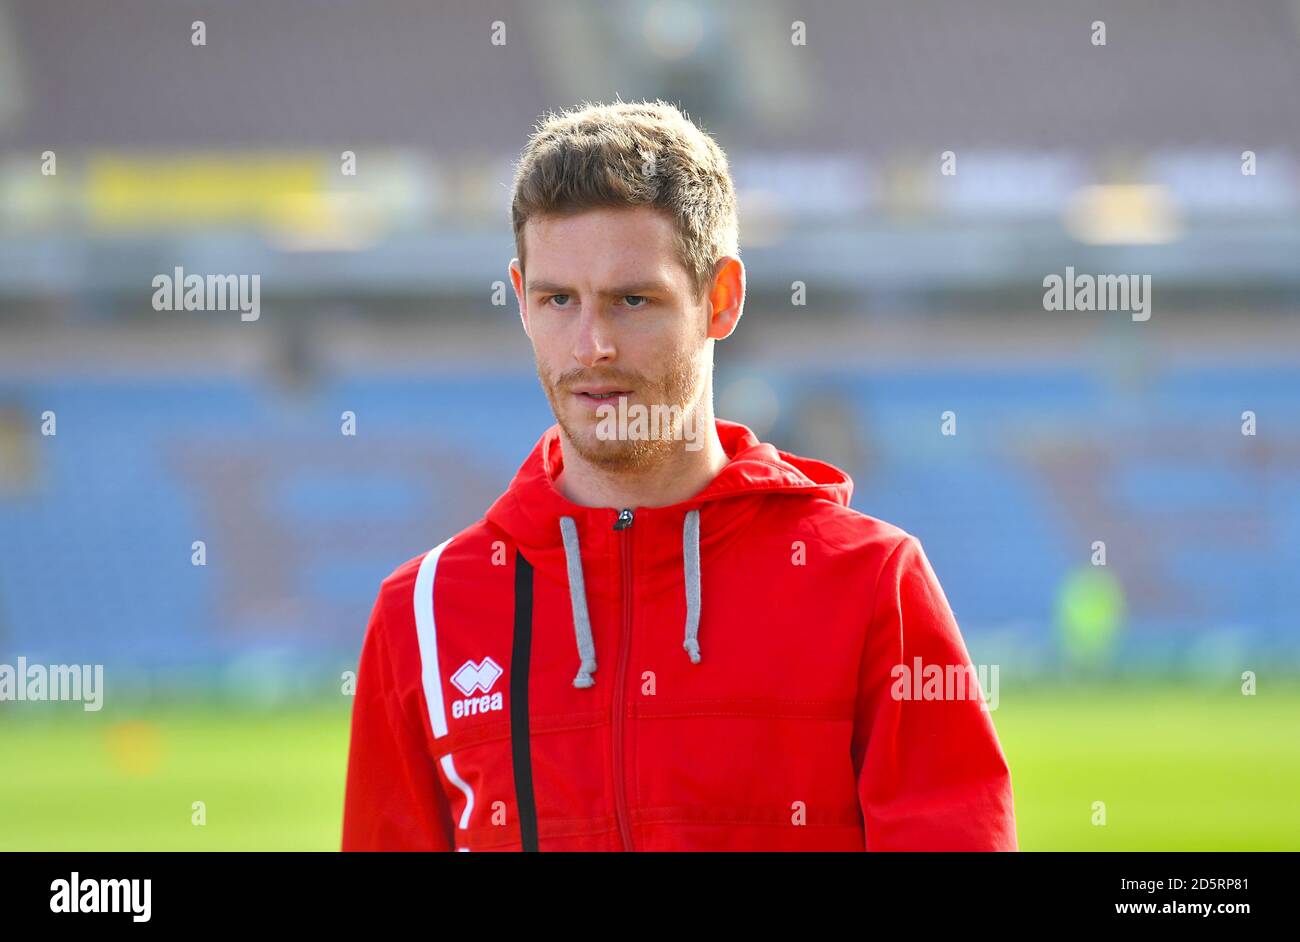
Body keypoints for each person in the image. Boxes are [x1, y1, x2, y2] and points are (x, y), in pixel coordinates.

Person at [342, 100, 1017, 851]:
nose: (591, 345)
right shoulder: (424, 615)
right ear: (520, 300)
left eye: (634, 300)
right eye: (558, 299)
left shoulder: (869, 583)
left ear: (720, 299)